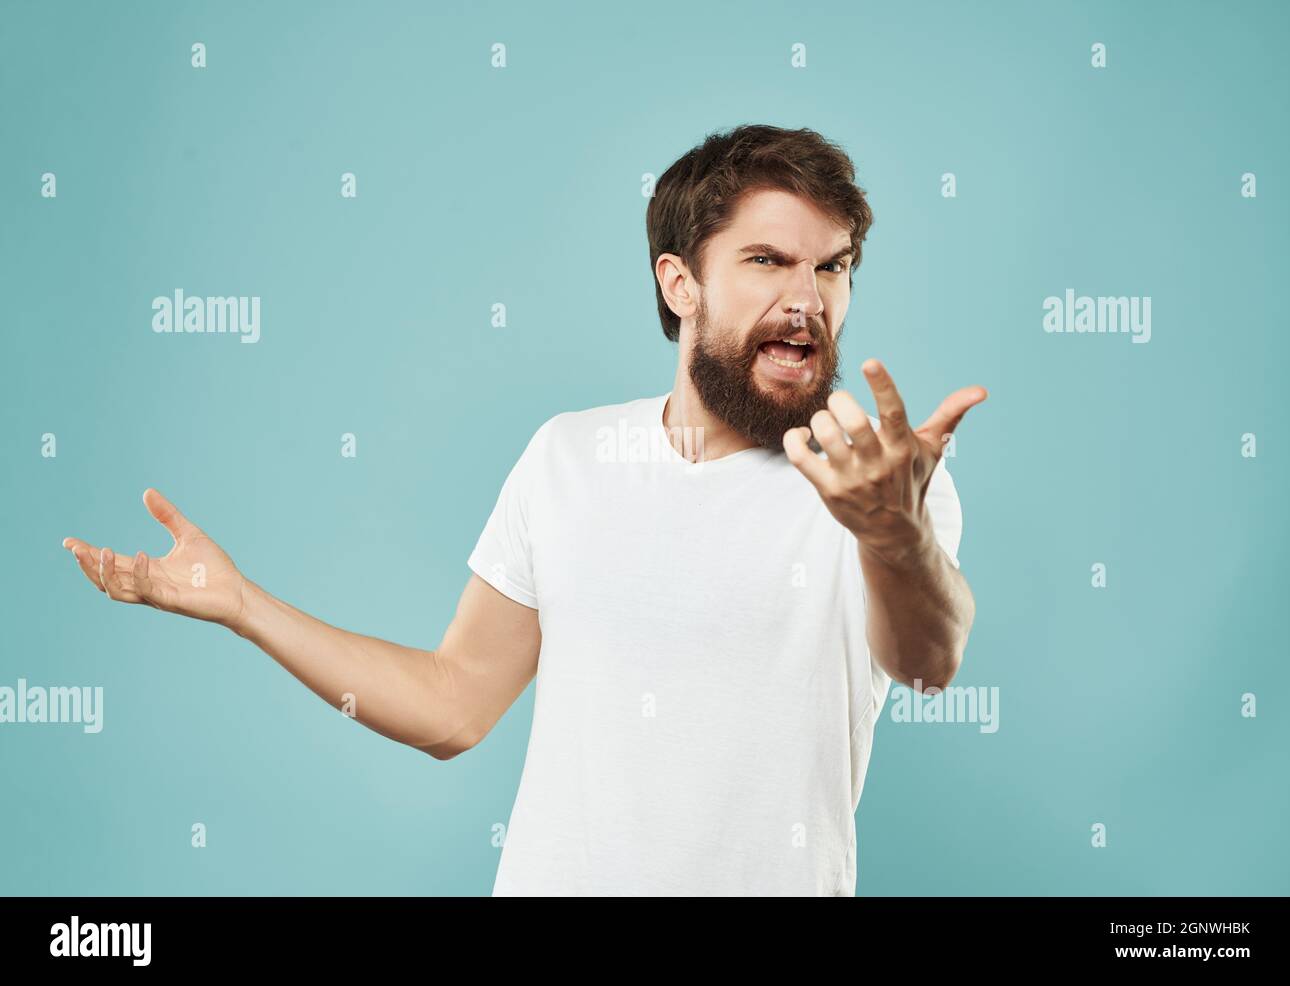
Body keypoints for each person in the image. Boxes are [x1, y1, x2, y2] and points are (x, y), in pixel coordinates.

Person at [63, 123, 987, 896]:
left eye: (832, 267)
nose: (807, 301)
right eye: (767, 261)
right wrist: (243, 605)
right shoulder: (567, 458)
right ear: (680, 283)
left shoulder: (883, 482)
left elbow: (927, 663)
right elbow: (453, 705)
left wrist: (891, 533)